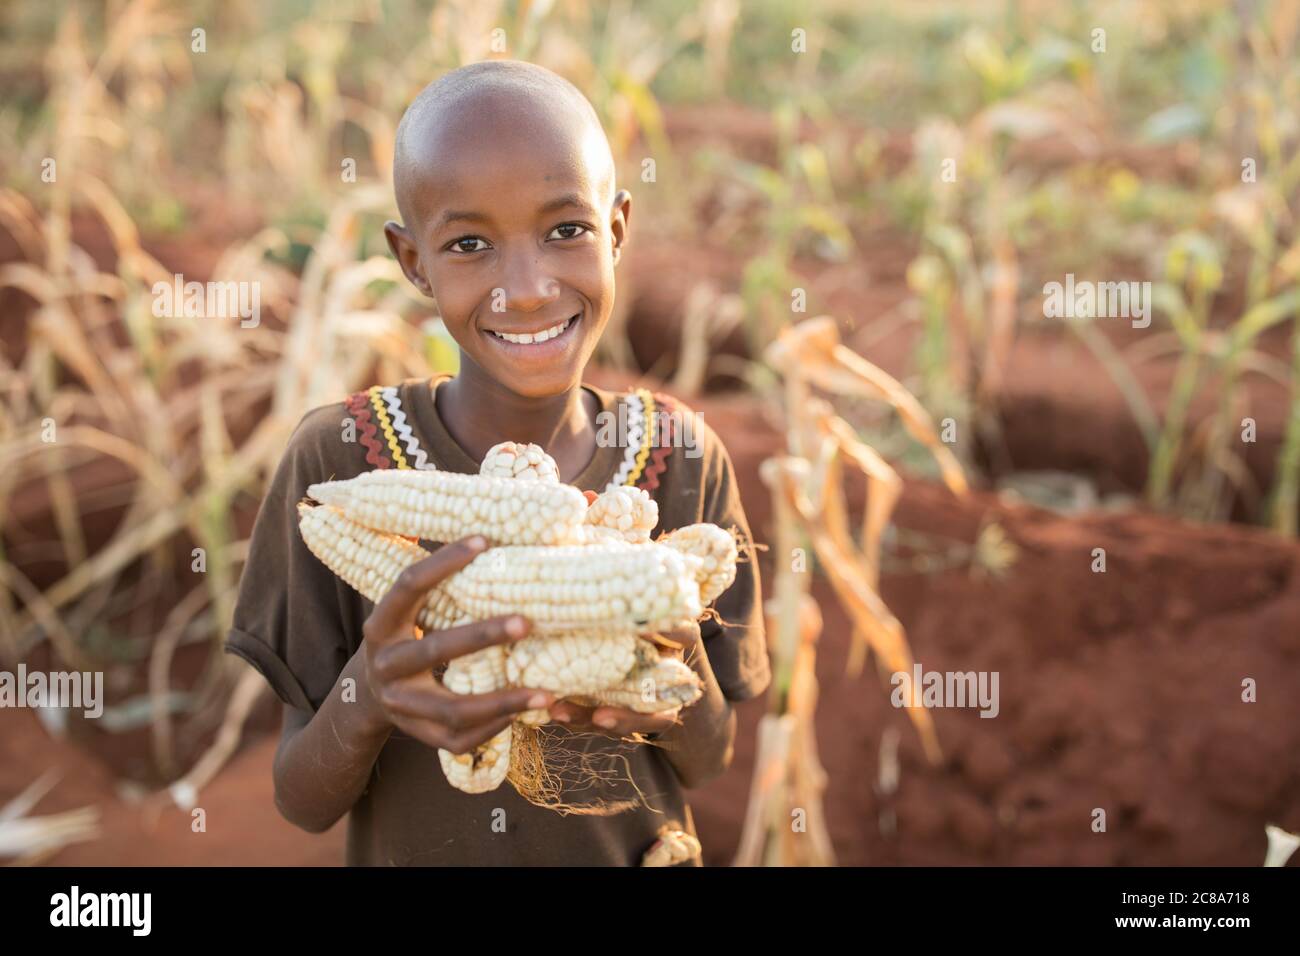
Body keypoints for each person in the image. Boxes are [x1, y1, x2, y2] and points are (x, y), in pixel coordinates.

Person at [225, 60, 769, 865]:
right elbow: (300, 799)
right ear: (413, 263)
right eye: (470, 244)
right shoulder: (336, 468)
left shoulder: (684, 459)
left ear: (616, 230)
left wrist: (668, 646)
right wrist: (370, 691)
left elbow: (712, 757)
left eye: (565, 230)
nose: (528, 288)